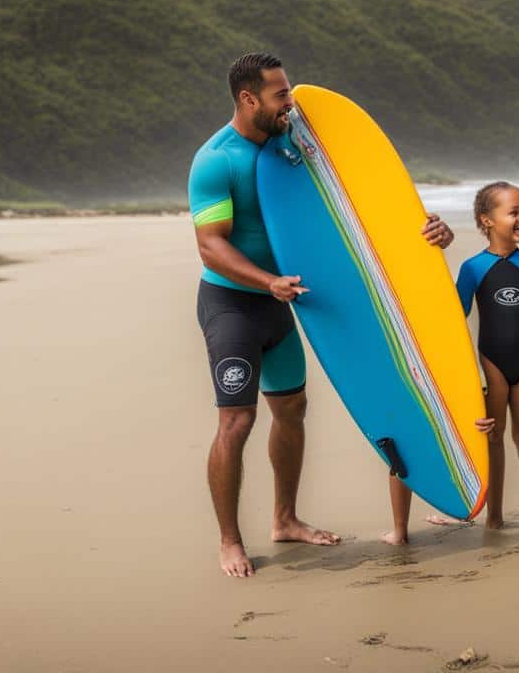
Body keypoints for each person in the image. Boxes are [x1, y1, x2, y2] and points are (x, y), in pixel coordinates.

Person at [189, 52, 455, 576]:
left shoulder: (298, 147)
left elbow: (362, 208)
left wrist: (428, 231)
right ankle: (229, 541)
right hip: (234, 305)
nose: (290, 103)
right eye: (279, 95)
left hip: (283, 300)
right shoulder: (217, 160)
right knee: (237, 420)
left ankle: (284, 520)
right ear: (248, 99)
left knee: (291, 410)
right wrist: (267, 282)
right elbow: (210, 247)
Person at [383, 182, 519, 544]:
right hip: (491, 366)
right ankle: (494, 517)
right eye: (513, 212)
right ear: (487, 220)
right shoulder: (473, 268)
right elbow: (454, 317)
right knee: (494, 441)